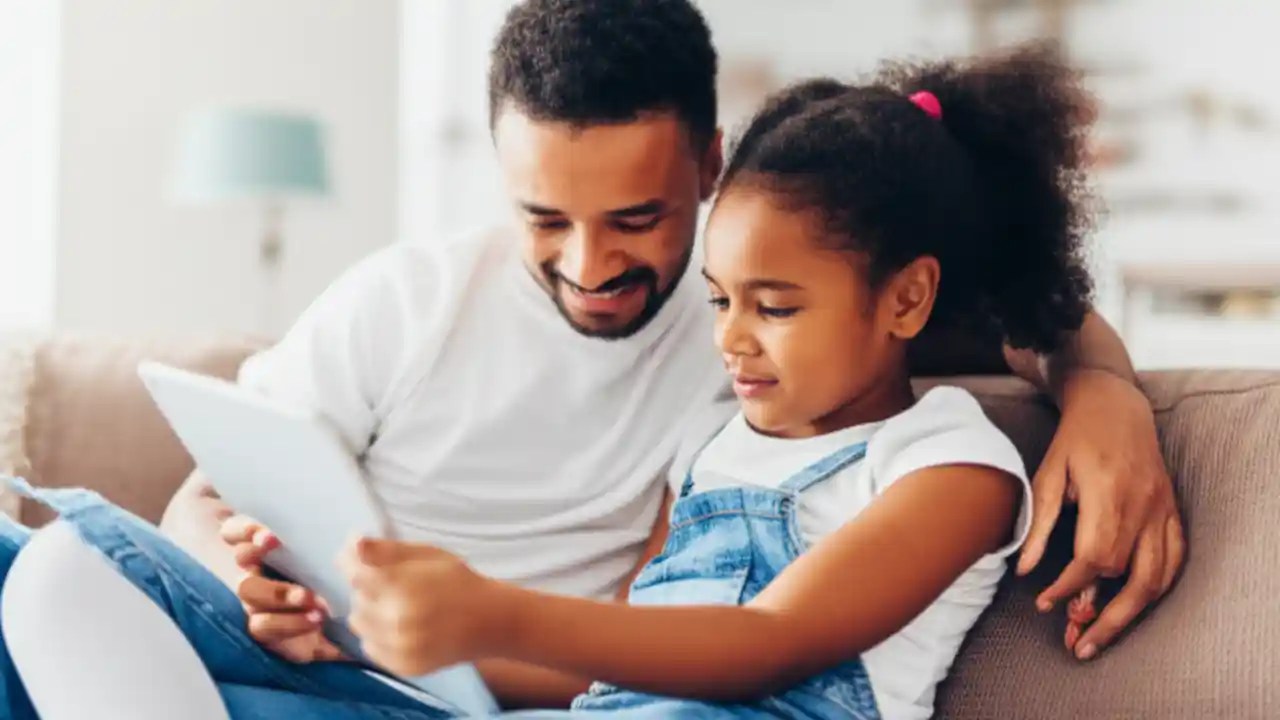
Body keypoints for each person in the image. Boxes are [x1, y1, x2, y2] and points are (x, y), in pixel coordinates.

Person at [0, 1, 1181, 718]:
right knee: (41, 571)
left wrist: (1104, 390)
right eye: (542, 219)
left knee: (75, 598)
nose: (585, 265)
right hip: (402, 664)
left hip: (548, 678)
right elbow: (211, 491)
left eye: (634, 220)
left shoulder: (815, 343)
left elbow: (1017, 302)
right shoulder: (424, 299)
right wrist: (276, 595)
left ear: (706, 165)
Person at [328, 43, 1120, 720]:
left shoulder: (947, 463)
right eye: (718, 299)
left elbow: (770, 645)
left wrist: (499, 613)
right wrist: (397, 644)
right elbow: (622, 654)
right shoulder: (708, 442)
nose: (730, 337)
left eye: (774, 307)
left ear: (906, 298)